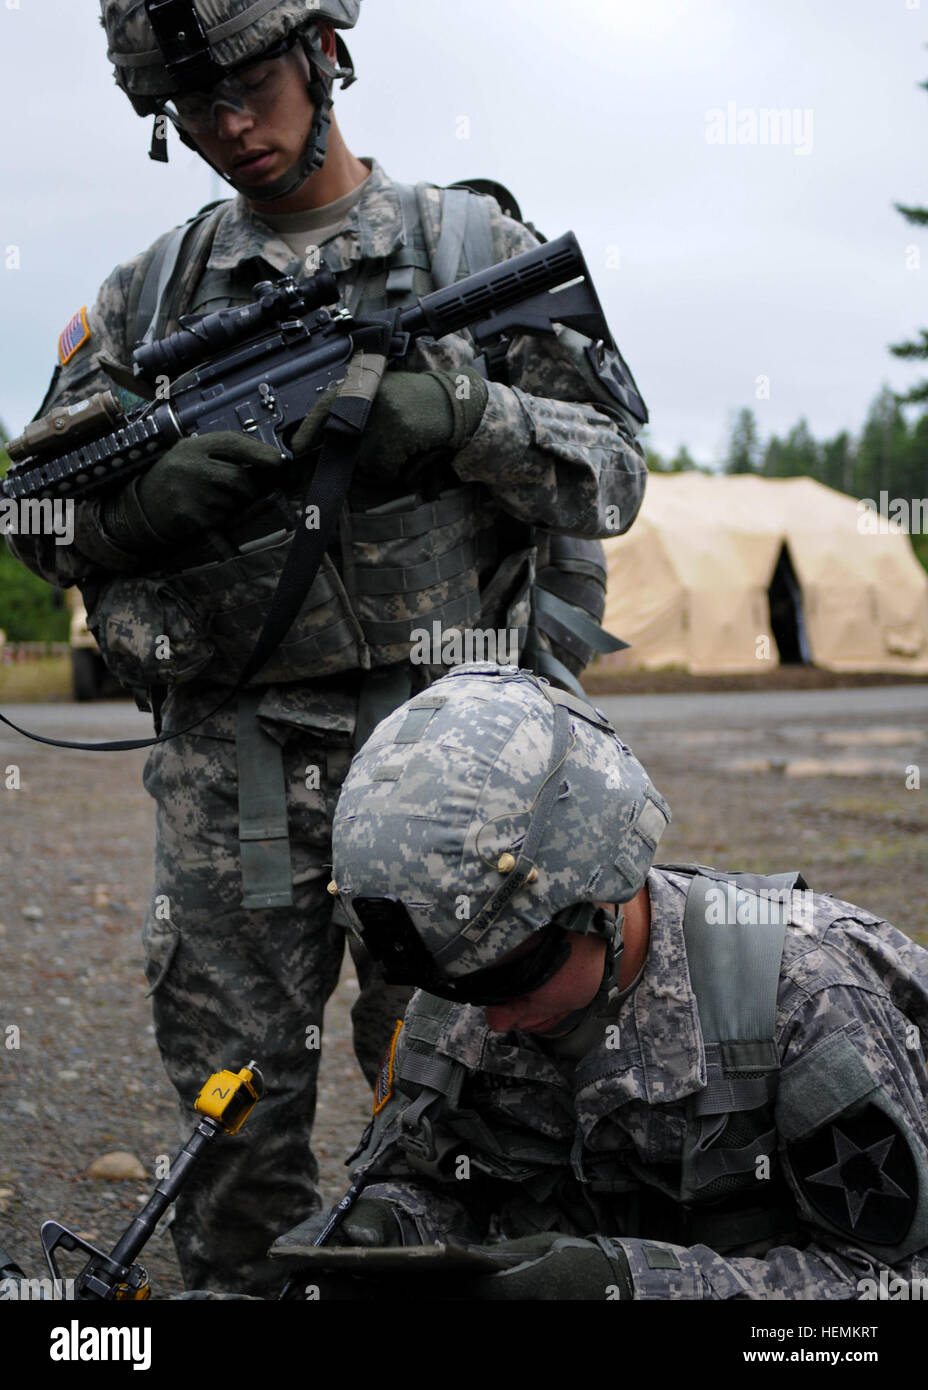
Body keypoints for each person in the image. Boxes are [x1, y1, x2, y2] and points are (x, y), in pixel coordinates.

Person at [6, 2, 649, 1294]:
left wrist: (463, 412)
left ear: (322, 57)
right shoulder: (149, 298)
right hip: (232, 762)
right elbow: (33, 508)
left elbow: (615, 475)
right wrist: (137, 506)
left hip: (465, 759)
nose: (229, 127)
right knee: (232, 1118)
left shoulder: (471, 249)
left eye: (249, 84)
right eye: (190, 109)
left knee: (477, 1109)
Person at [298, 661, 928, 1299]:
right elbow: (437, 1181)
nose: (489, 1020)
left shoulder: (805, 996)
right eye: (453, 986)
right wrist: (390, 1229)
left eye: (516, 974)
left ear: (601, 901)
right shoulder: (460, 996)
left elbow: (892, 1286)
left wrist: (630, 1286)